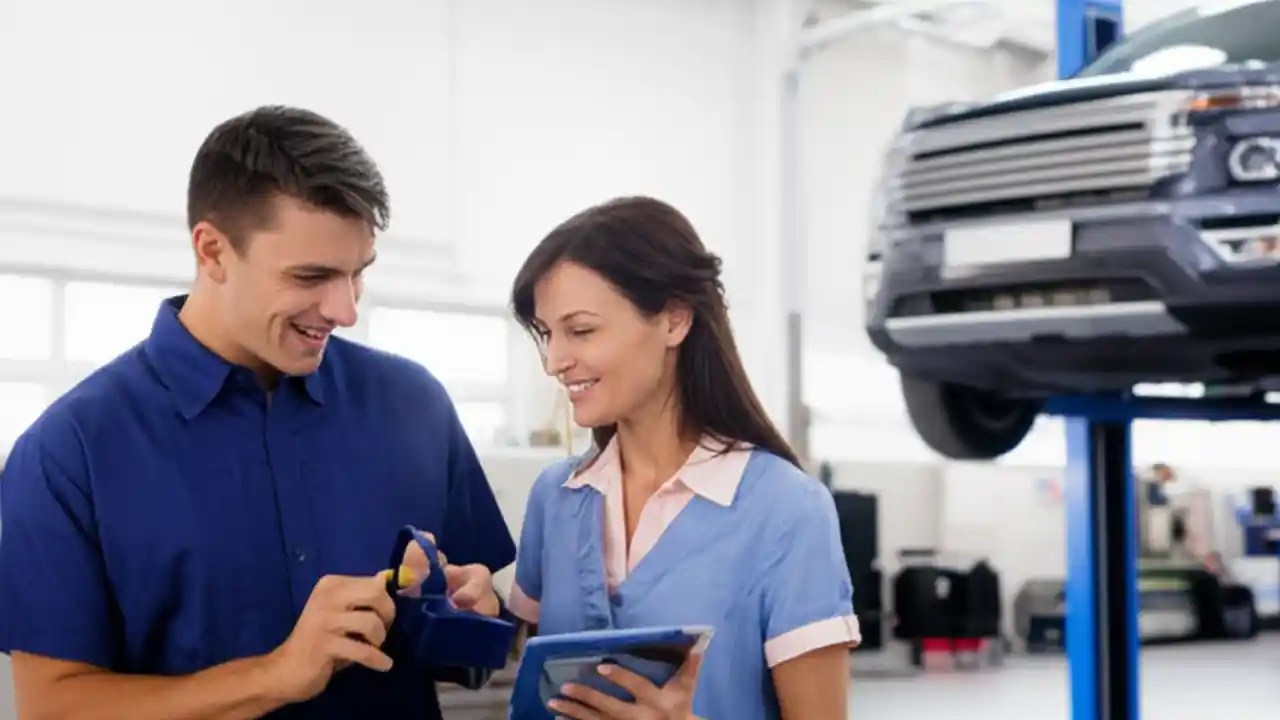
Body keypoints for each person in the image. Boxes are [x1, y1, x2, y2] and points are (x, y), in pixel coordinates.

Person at [0, 106, 515, 719]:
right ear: (212, 250)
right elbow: (53, 708)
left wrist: (471, 614)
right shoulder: (69, 451)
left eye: (358, 275)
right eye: (311, 276)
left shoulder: (415, 403)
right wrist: (274, 676)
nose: (345, 309)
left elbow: (477, 651)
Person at [506, 196, 858, 719]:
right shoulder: (556, 498)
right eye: (546, 334)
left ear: (674, 321)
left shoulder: (786, 511)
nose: (555, 361)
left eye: (580, 330)